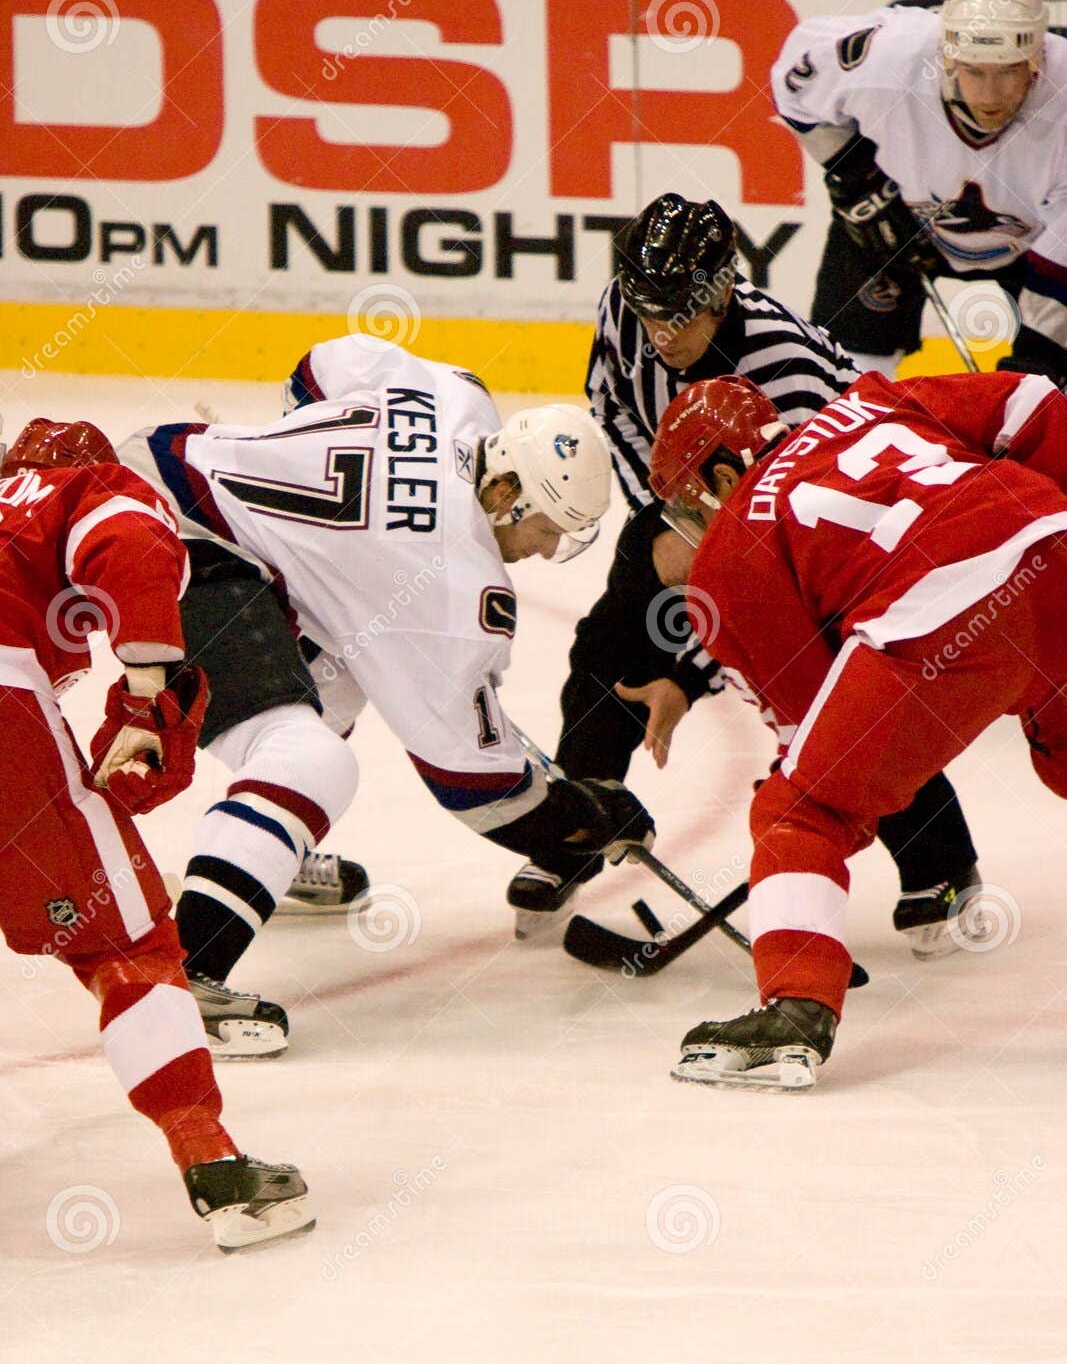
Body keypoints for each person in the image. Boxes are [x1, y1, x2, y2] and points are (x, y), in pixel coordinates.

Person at [121, 336, 652, 1056]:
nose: (549, 550)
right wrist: (579, 820)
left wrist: (300, 461)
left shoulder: (458, 398)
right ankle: (181, 979)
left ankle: (266, 854)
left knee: (339, 670)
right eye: (547, 528)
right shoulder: (451, 591)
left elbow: (319, 367)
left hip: (155, 474)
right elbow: (472, 782)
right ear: (503, 494)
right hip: (162, 546)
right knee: (309, 760)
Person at [505, 191, 981, 954]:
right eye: (648, 315)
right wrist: (668, 517)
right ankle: (576, 829)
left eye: (678, 316)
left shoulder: (785, 374)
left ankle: (942, 865)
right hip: (696, 504)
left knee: (838, 695)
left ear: (723, 291)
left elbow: (782, 555)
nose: (660, 335)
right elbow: (614, 406)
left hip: (830, 538)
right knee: (606, 647)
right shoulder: (631, 306)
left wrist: (688, 673)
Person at [646, 367, 1067, 1089]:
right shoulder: (870, 397)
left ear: (722, 474)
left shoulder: (730, 553)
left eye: (687, 504)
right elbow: (1032, 402)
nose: (689, 527)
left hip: (942, 612)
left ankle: (795, 1008)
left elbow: (810, 718)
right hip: (1051, 542)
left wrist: (819, 799)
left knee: (799, 810)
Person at [0, 415, 313, 1249]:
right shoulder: (85, 486)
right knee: (124, 944)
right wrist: (147, 692)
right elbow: (130, 539)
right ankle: (211, 1159)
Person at [772, 0, 1067, 382]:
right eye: (974, 71)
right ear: (947, 57)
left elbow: (1060, 268)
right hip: (895, 214)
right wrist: (857, 179)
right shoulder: (890, 57)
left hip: (1037, 241)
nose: (989, 95)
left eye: (1007, 71)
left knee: (1043, 389)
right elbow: (793, 86)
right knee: (841, 374)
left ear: (1036, 60)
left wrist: (1034, 372)